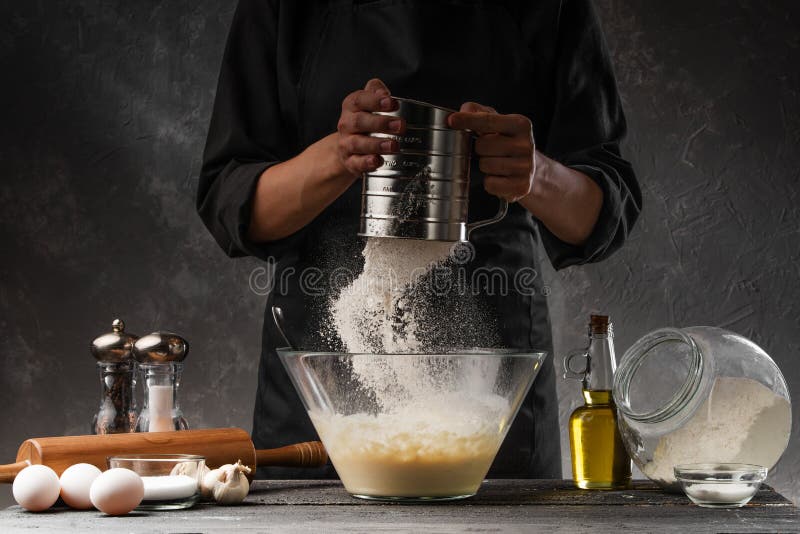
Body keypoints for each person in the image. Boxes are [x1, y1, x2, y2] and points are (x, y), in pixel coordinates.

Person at [198, 0, 641, 479]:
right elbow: (230, 204)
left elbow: (604, 217)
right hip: (322, 382)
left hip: (487, 387)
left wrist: (538, 175)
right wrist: (337, 157)